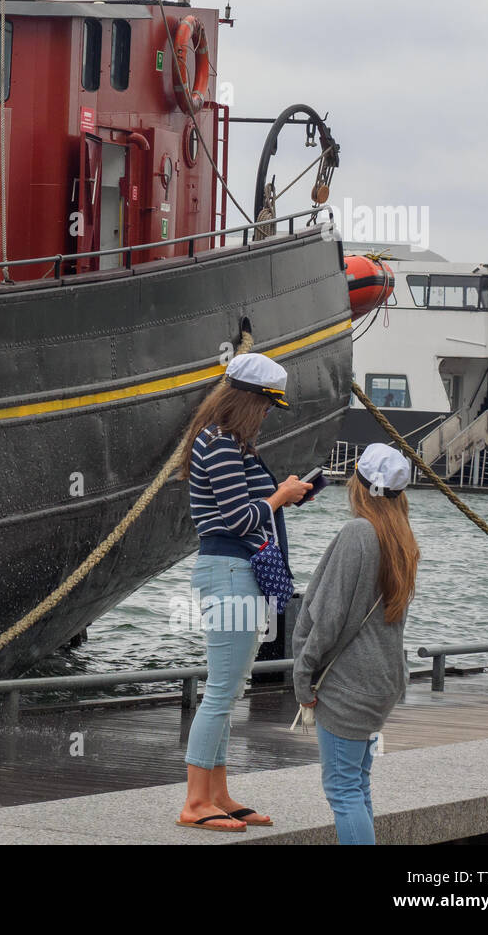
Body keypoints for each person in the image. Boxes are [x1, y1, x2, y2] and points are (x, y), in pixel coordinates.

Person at [175, 353, 313, 832]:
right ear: (248, 401)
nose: (270, 414)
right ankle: (195, 801)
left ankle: (218, 793)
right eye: (268, 405)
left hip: (236, 571)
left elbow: (244, 510)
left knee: (229, 689)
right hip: (231, 572)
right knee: (220, 692)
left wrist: (287, 495)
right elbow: (238, 519)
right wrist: (280, 496)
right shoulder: (220, 444)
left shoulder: (226, 442)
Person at [293, 443, 419, 845]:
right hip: (381, 681)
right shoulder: (400, 538)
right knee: (358, 784)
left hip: (349, 686)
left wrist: (303, 672)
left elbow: (329, 617)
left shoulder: (358, 533)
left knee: (342, 791)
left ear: (360, 486)